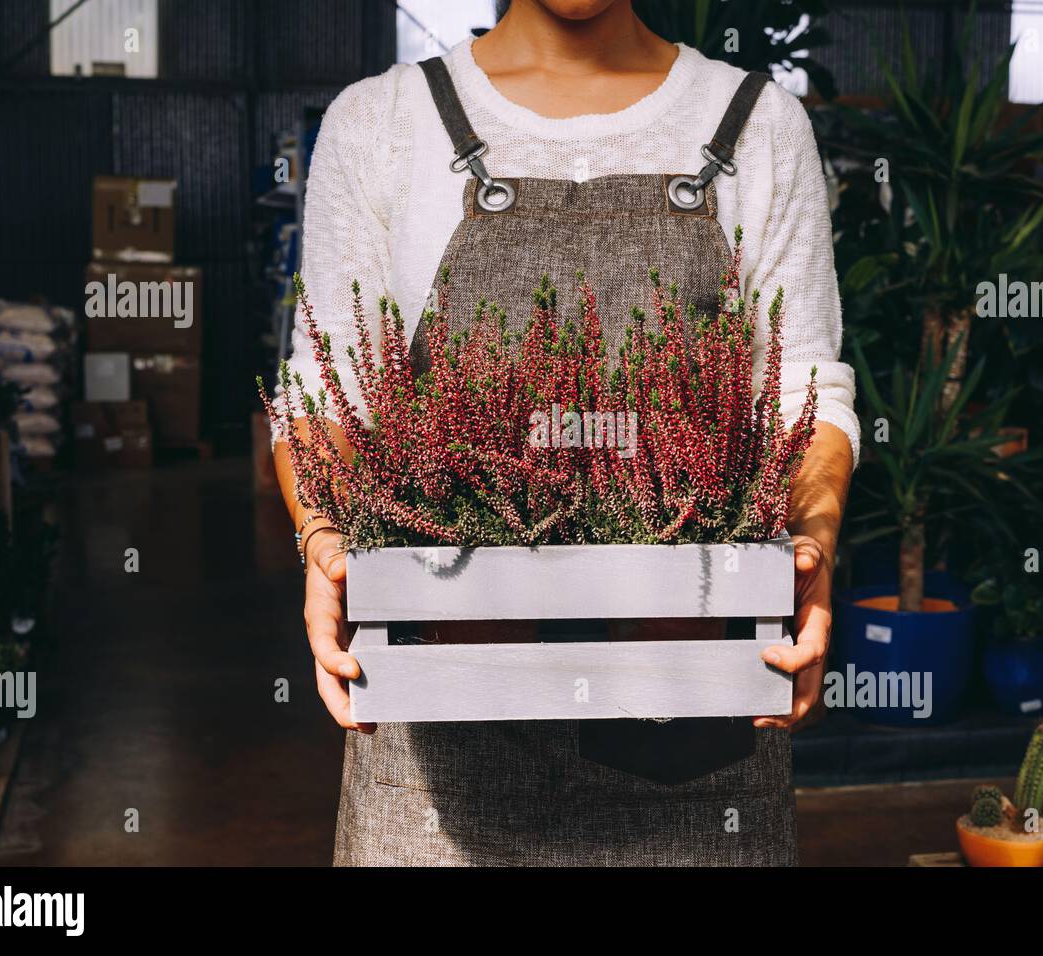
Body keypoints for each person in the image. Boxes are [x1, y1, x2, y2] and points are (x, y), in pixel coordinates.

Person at [276, 0, 856, 865]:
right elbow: (323, 397)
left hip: (694, 744)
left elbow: (806, 390)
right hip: (441, 760)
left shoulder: (759, 125)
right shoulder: (380, 123)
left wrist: (812, 539)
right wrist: (322, 539)